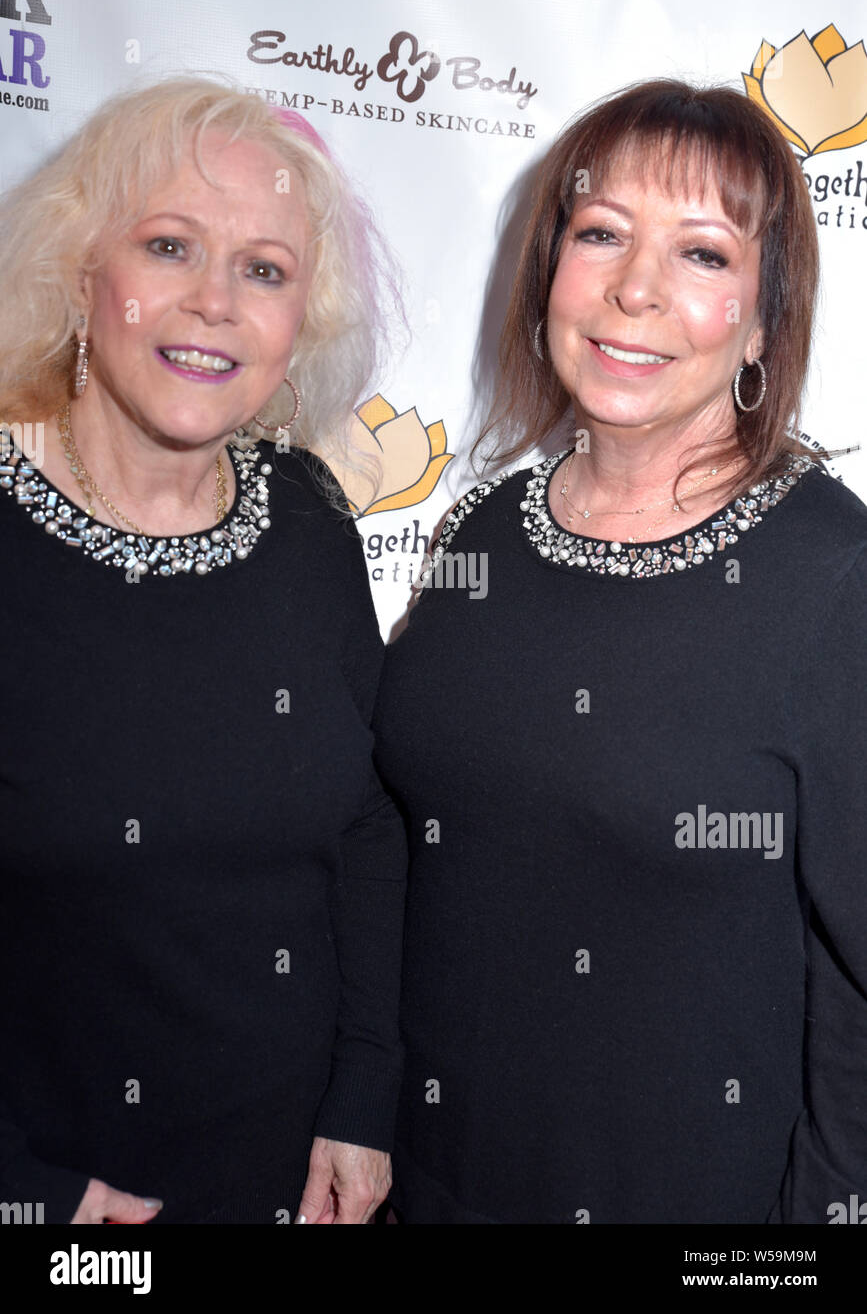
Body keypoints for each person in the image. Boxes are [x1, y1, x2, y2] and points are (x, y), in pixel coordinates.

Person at [372, 79, 867, 1224]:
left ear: (760, 320)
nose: (634, 289)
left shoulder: (835, 581)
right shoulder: (488, 528)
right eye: (600, 234)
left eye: (701, 254)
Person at [0, 78, 407, 1224]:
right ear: (83, 277)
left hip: (303, 1183)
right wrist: (24, 1194)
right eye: (171, 245)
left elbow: (370, 827)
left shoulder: (309, 516)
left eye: (265, 269)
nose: (217, 302)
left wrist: (365, 1101)